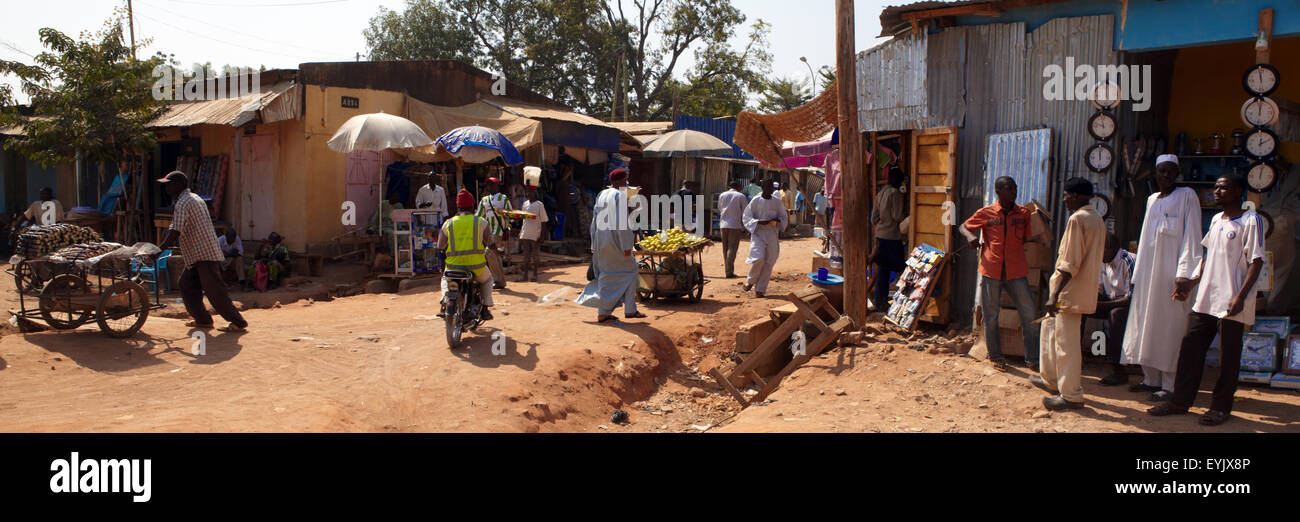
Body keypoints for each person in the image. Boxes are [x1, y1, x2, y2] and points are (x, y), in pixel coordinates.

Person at [1149, 174, 1265, 426]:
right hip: (1206, 298)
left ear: (1237, 192)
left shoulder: (1250, 221)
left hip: (1232, 300)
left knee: (1228, 357)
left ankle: (1220, 408)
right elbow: (1208, 257)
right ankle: (1180, 401)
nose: (1217, 191)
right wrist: (1191, 284)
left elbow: (1256, 262)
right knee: (1190, 347)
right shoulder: (1215, 219)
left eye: (1223, 188)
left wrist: (1240, 297)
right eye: (1216, 186)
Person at [1120, 155, 1204, 400]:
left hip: (1172, 275)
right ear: (1155, 174)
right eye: (1160, 172)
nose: (1164, 176)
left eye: (1170, 172)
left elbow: (1192, 235)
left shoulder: (1187, 195)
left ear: (1177, 174)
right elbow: (1146, 239)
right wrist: (1137, 275)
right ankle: (1151, 379)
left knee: (1170, 328)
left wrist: (1184, 274)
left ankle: (1169, 384)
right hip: (1149, 275)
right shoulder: (1152, 200)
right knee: (1146, 324)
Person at [1030, 178, 1105, 411]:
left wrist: (1055, 296)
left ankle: (1071, 395)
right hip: (1078, 289)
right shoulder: (1096, 219)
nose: (1063, 200)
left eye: (1065, 195)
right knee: (1050, 332)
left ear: (1075, 196)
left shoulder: (1077, 219)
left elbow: (1069, 262)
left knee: (1066, 344)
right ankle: (1050, 379)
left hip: (1068, 292)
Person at [961, 176, 1042, 371]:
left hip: (1016, 272)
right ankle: (996, 357)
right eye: (1010, 189)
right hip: (992, 271)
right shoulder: (987, 212)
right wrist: (971, 237)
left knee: (1030, 314)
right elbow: (964, 227)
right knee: (991, 316)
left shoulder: (1023, 213)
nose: (1014, 192)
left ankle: (1033, 360)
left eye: (1015, 189)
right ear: (999, 192)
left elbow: (1026, 239)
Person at [156, 171, 248, 332]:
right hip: (197, 254)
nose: (167, 187)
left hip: (204, 255)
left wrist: (158, 250)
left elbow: (175, 231)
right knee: (186, 285)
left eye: (169, 184)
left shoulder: (184, 202)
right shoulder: (194, 198)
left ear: (179, 185)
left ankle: (238, 322)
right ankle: (203, 319)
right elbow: (177, 228)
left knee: (215, 292)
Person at [577, 168, 644, 322]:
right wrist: (627, 246)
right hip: (616, 241)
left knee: (607, 275)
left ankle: (604, 312)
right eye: (625, 180)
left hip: (601, 240)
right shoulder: (620, 196)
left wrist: (594, 242)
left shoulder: (602, 194)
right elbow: (622, 224)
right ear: (621, 181)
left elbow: (594, 220)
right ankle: (630, 310)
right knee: (632, 270)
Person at [438, 189, 495, 321]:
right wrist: (496, 249)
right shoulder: (481, 222)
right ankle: (485, 308)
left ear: (458, 207)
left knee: (444, 280)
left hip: (453, 268)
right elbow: (490, 243)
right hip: (476, 267)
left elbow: (440, 246)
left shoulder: (448, 223)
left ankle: (445, 300)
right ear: (472, 206)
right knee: (488, 280)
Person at [1089, 233, 1135, 387]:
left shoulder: (1127, 261)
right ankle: (1075, 358)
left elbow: (1131, 298)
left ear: (1112, 249)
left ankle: (1119, 371)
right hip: (1111, 301)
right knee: (1081, 309)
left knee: (1115, 316)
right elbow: (1100, 290)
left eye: (1101, 250)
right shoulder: (1103, 262)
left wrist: (1101, 305)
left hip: (1129, 306)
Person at [741, 178, 787, 298]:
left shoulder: (777, 202)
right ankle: (750, 281)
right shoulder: (756, 200)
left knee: (769, 262)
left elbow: (783, 217)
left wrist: (778, 222)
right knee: (758, 258)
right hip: (758, 233)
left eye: (771, 187)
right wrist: (759, 222)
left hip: (772, 234)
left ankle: (760, 289)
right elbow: (747, 217)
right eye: (767, 187)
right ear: (762, 187)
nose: (769, 189)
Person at [869, 169, 906, 311]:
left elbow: (874, 218)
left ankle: (880, 302)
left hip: (881, 236)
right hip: (892, 236)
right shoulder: (895, 194)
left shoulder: (881, 193)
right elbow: (897, 217)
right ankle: (902, 302)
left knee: (883, 271)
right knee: (902, 269)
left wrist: (883, 223)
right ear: (897, 180)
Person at [476, 177, 512, 289]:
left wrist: (508, 228)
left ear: (497, 186)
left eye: (492, 184)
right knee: (496, 256)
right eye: (488, 185)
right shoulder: (484, 200)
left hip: (500, 231)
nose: (490, 187)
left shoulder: (503, 198)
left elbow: (510, 214)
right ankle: (500, 281)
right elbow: (479, 216)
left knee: (490, 253)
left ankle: (497, 279)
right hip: (488, 232)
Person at [717, 180, 748, 278]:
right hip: (734, 225)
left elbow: (719, 208)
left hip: (723, 224)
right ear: (738, 187)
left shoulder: (722, 195)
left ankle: (728, 269)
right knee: (732, 248)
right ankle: (729, 271)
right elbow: (745, 211)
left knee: (725, 248)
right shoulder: (740, 196)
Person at [518, 186, 548, 282]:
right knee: (525, 256)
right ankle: (525, 275)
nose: (529, 194)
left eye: (531, 192)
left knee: (535, 256)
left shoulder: (539, 205)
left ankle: (535, 275)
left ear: (535, 193)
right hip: (526, 233)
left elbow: (543, 221)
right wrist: (520, 232)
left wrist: (542, 236)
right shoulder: (525, 204)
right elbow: (523, 220)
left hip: (535, 234)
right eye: (528, 192)